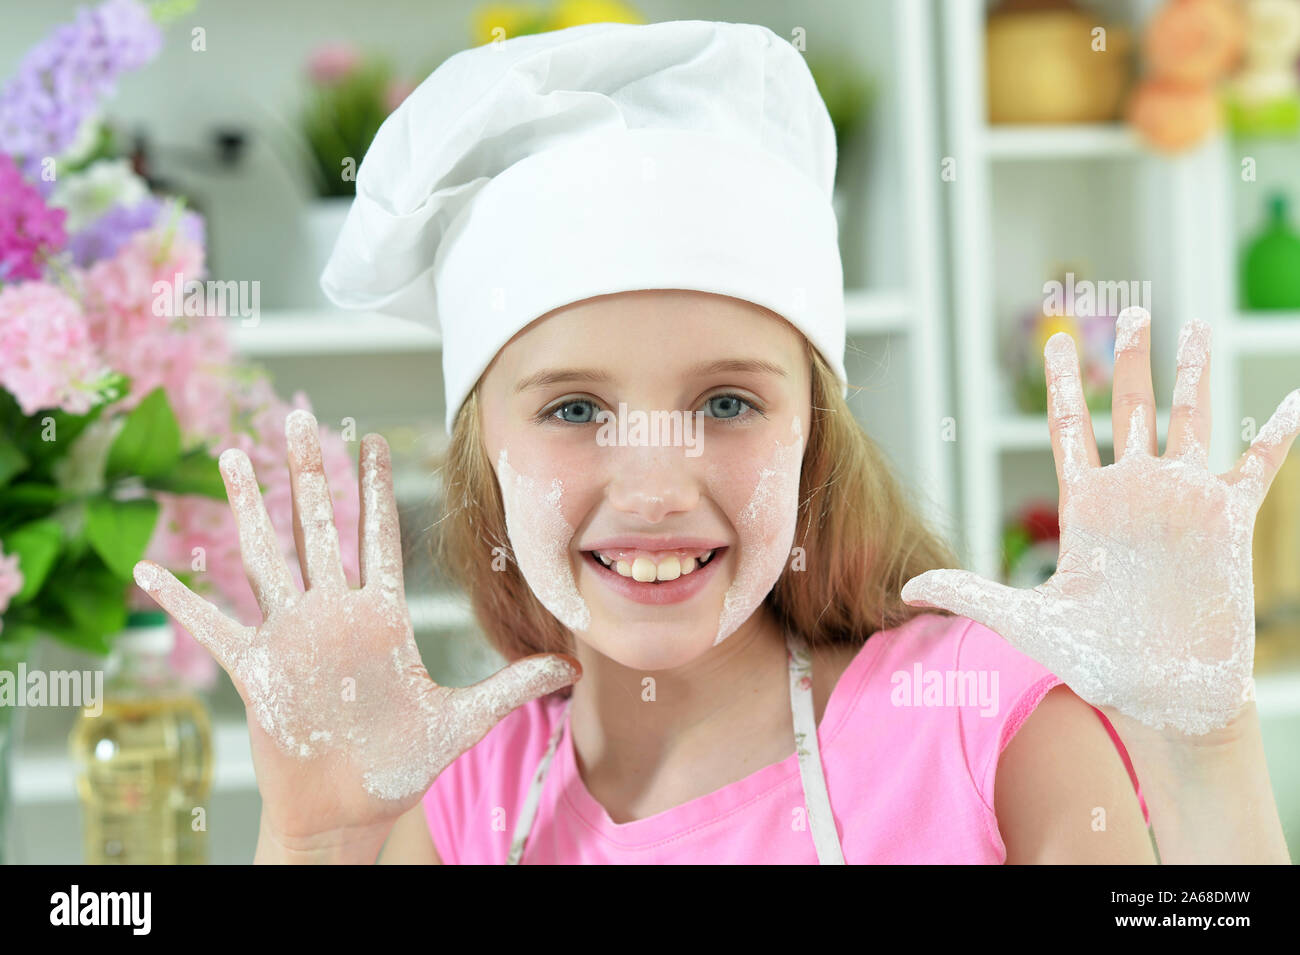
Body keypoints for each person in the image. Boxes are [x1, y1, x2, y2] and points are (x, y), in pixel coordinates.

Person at [133, 20, 1297, 864]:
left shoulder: (976, 719)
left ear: (812, 432)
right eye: (574, 409)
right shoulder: (463, 802)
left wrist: (1205, 748)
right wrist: (312, 843)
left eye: (729, 403)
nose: (654, 481)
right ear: (480, 445)